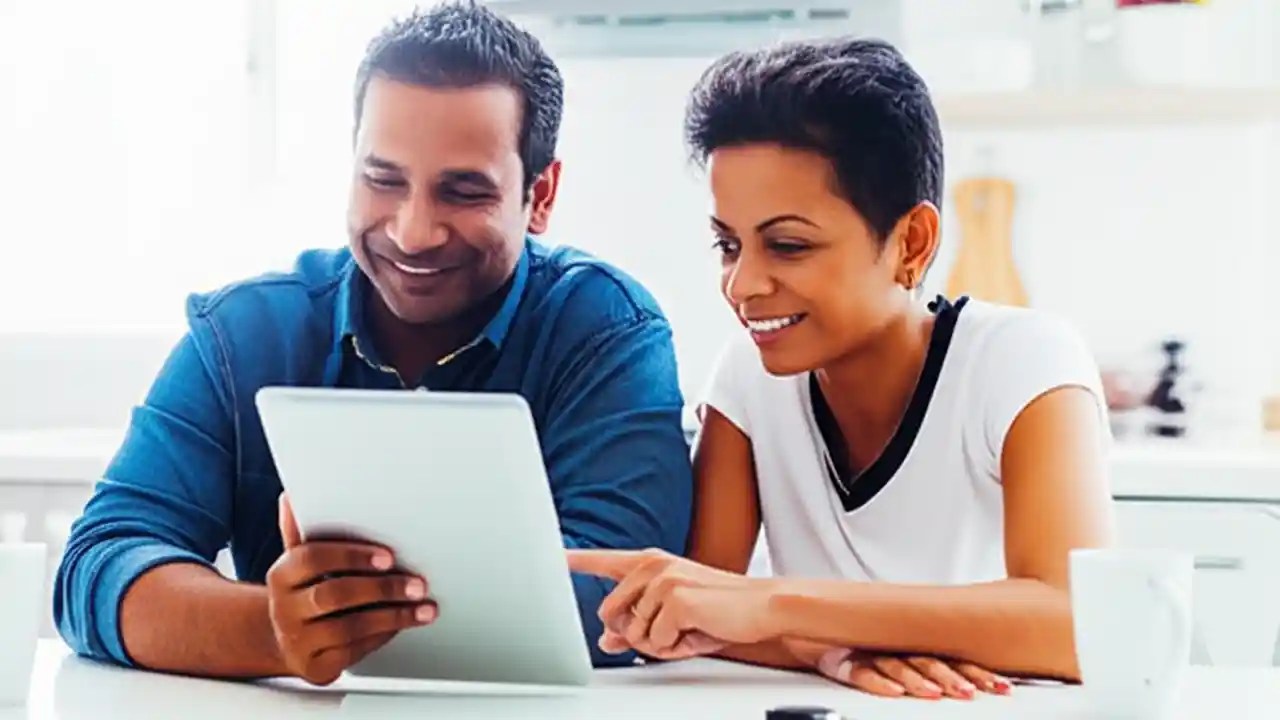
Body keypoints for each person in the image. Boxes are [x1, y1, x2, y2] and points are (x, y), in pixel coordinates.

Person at [54, 2, 692, 685]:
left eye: (464, 191)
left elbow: (626, 595)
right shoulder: (246, 332)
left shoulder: (605, 331)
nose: (413, 232)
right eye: (383, 180)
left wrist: (344, 616)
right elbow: (97, 567)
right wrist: (273, 631)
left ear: (540, 195)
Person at [569, 37, 1115, 700]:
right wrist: (825, 650)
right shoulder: (746, 376)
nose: (741, 285)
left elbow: (1077, 623)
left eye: (788, 245)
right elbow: (697, 617)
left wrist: (777, 607)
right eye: (727, 244)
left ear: (910, 243)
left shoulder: (1023, 362)